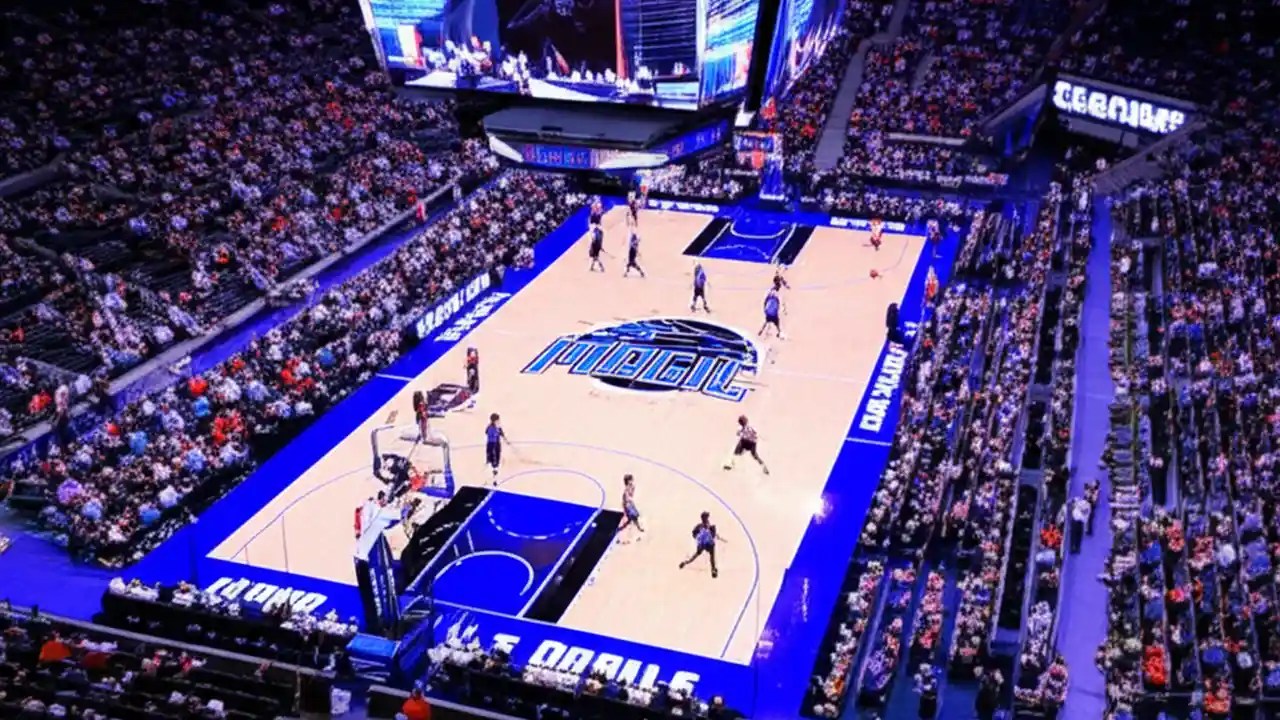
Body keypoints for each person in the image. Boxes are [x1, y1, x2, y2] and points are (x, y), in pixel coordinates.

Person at [679, 511, 721, 578]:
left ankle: (685, 562)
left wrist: (699, 537)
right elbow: (695, 534)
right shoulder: (705, 526)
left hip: (704, 543)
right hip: (707, 543)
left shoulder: (703, 526)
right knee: (710, 556)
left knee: (698, 555)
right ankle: (713, 569)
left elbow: (694, 534)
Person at [616, 474, 644, 542]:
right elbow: (626, 498)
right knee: (630, 518)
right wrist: (627, 506)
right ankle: (619, 534)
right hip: (627, 505)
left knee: (633, 518)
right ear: (628, 481)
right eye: (630, 480)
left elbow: (631, 495)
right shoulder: (626, 489)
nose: (632, 481)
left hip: (630, 504)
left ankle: (638, 527)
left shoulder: (631, 487)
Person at [484, 413, 509, 481]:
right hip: (493, 444)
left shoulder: (496, 428)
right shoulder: (492, 428)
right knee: (494, 456)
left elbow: (501, 434)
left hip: (495, 444)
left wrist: (506, 440)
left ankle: (494, 466)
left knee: (496, 456)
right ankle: (494, 469)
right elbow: (490, 434)